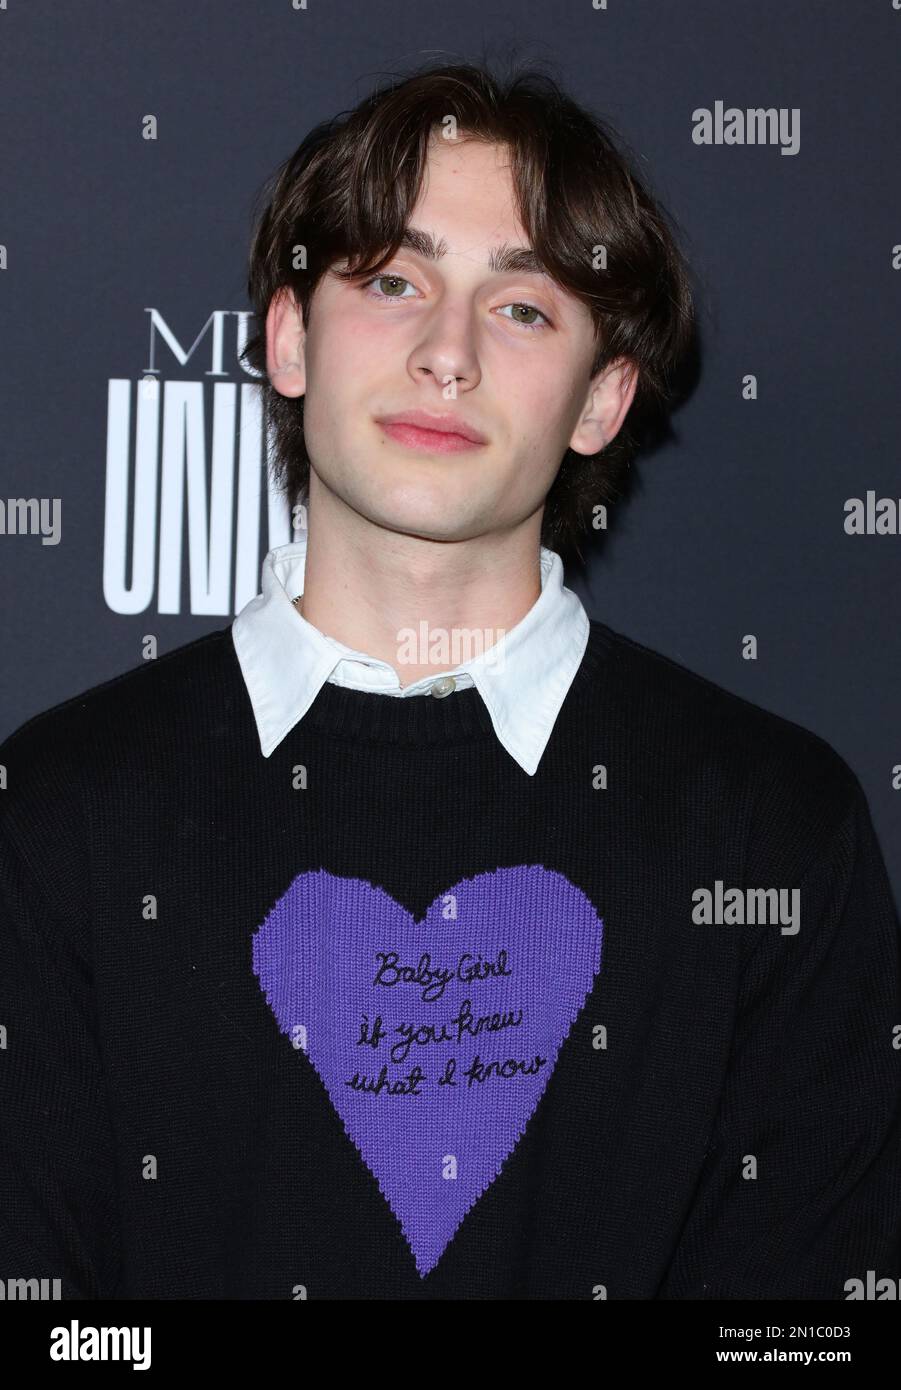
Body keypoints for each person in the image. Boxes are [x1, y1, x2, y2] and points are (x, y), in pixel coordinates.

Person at [1, 60, 898, 1301]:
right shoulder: (54, 809)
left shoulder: (774, 829)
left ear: (602, 399)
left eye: (522, 307)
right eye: (392, 280)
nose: (446, 354)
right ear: (288, 338)